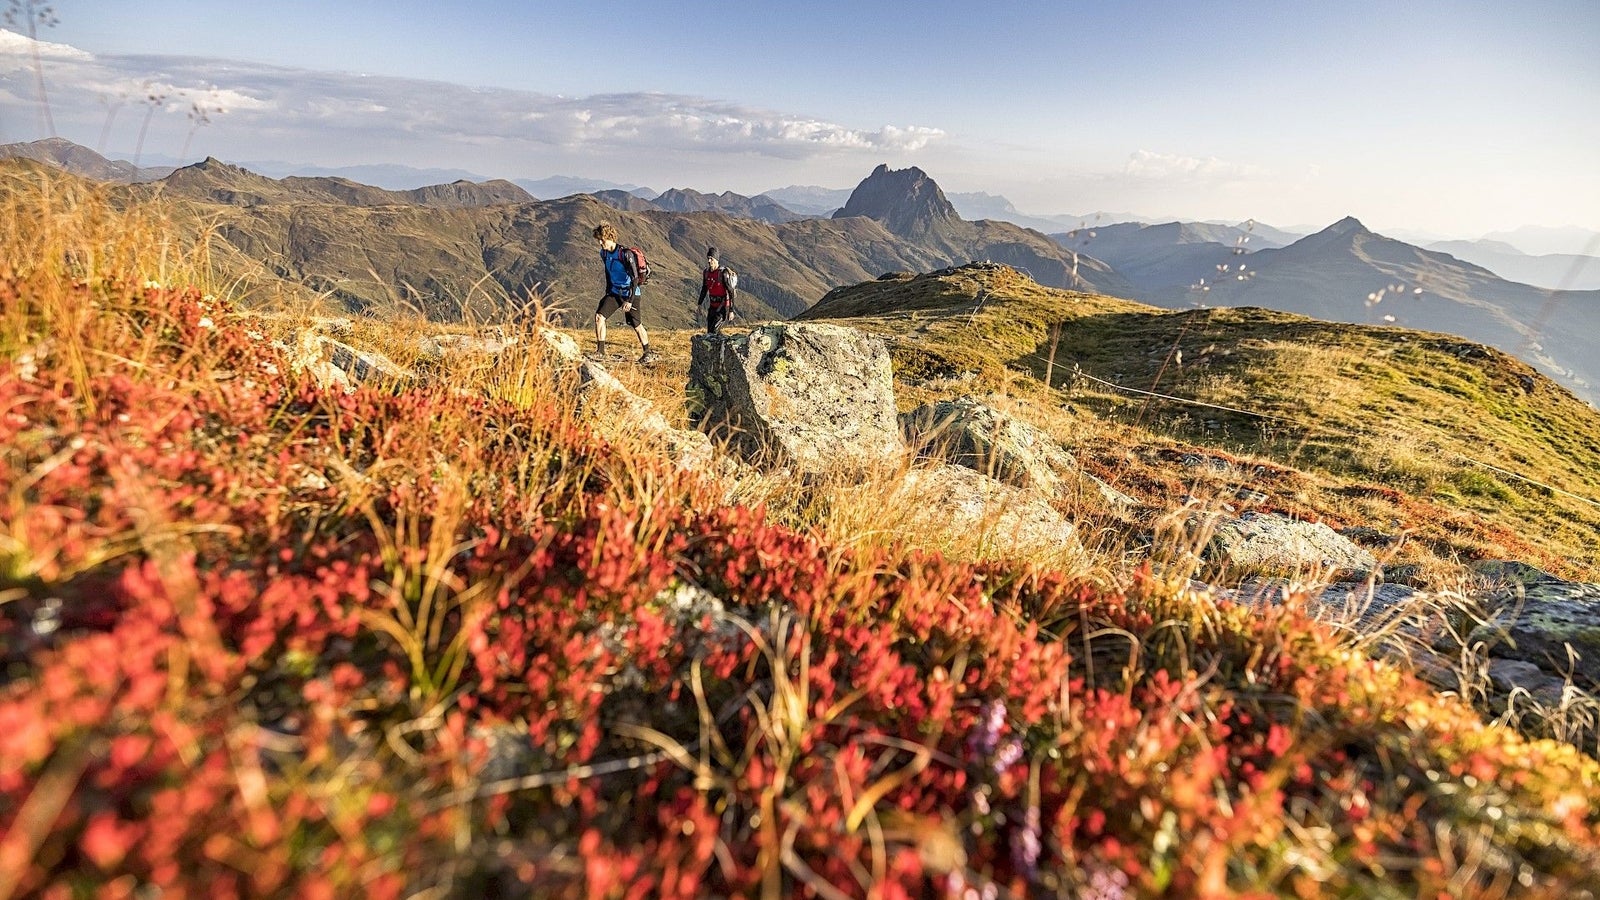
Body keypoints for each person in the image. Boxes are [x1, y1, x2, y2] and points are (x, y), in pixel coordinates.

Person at [591, 222, 654, 362]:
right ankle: (600, 352)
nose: (600, 243)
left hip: (630, 292)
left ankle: (647, 352)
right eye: (599, 240)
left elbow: (635, 278)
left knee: (636, 324)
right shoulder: (604, 253)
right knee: (599, 317)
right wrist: (608, 292)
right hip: (615, 292)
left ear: (610, 237)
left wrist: (630, 301)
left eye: (602, 239)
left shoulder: (625, 254)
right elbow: (608, 272)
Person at [697, 246, 737, 335]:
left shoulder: (723, 273)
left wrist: (731, 310)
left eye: (711, 258)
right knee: (710, 332)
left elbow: (731, 292)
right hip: (712, 306)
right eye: (708, 258)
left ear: (716, 259)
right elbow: (704, 289)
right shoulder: (706, 273)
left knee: (714, 332)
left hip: (723, 308)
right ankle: (722, 346)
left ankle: (723, 346)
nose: (709, 261)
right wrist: (699, 304)